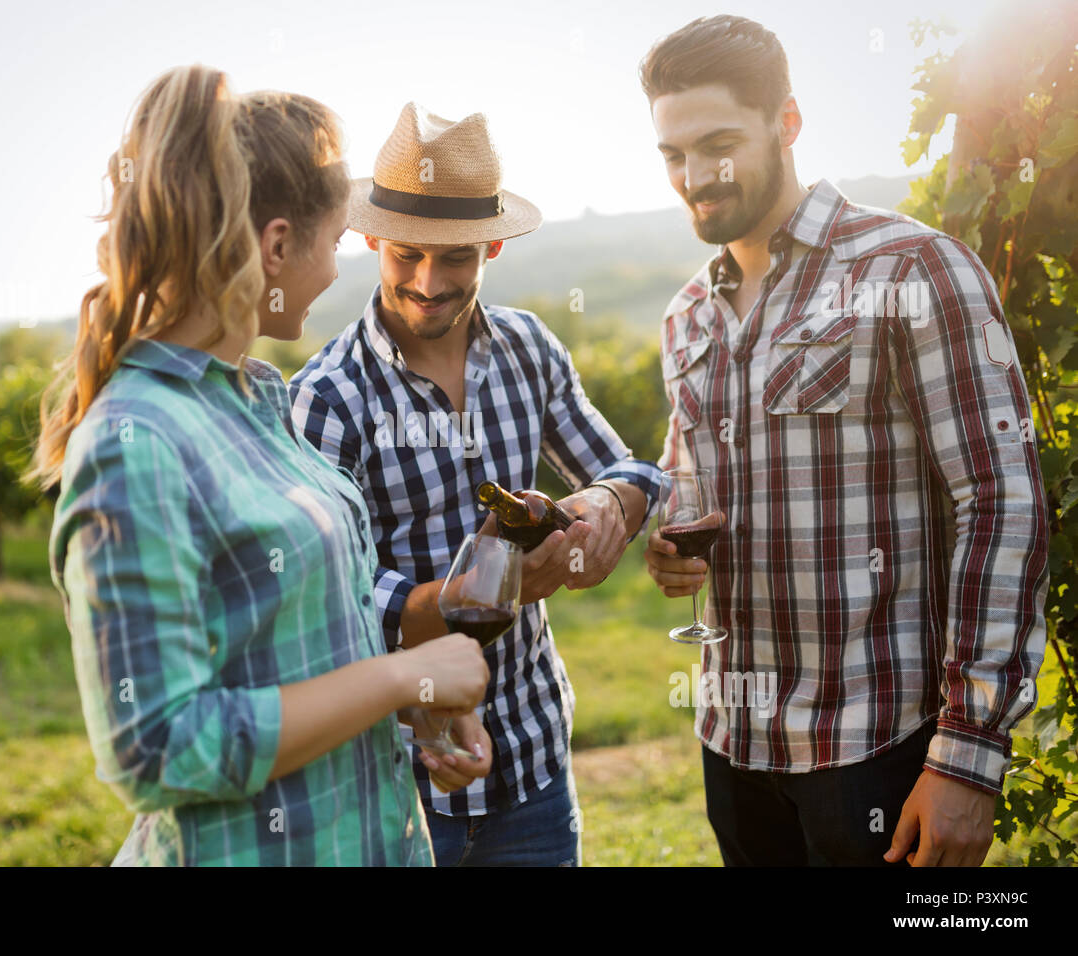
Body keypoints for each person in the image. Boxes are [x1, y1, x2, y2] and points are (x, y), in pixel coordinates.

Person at [29, 66, 489, 866]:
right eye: (337, 242)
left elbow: (289, 652)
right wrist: (397, 678)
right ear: (277, 245)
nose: (339, 270)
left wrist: (410, 708)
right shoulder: (135, 444)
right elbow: (160, 750)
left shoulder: (255, 402)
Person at [638, 16, 1049, 866]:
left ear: (786, 123)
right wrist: (668, 543)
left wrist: (968, 757)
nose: (695, 178)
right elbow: (691, 482)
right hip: (733, 746)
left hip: (880, 753)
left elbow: (1002, 501)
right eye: (672, 155)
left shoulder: (909, 269)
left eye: (717, 144)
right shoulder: (686, 315)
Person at [290, 103, 661, 866]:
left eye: (456, 258)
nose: (429, 283)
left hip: (533, 766)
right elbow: (335, 603)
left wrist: (604, 504)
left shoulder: (529, 348)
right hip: (397, 783)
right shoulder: (326, 398)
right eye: (405, 256)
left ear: (492, 244)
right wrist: (500, 586)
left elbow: (630, 469)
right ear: (370, 240)